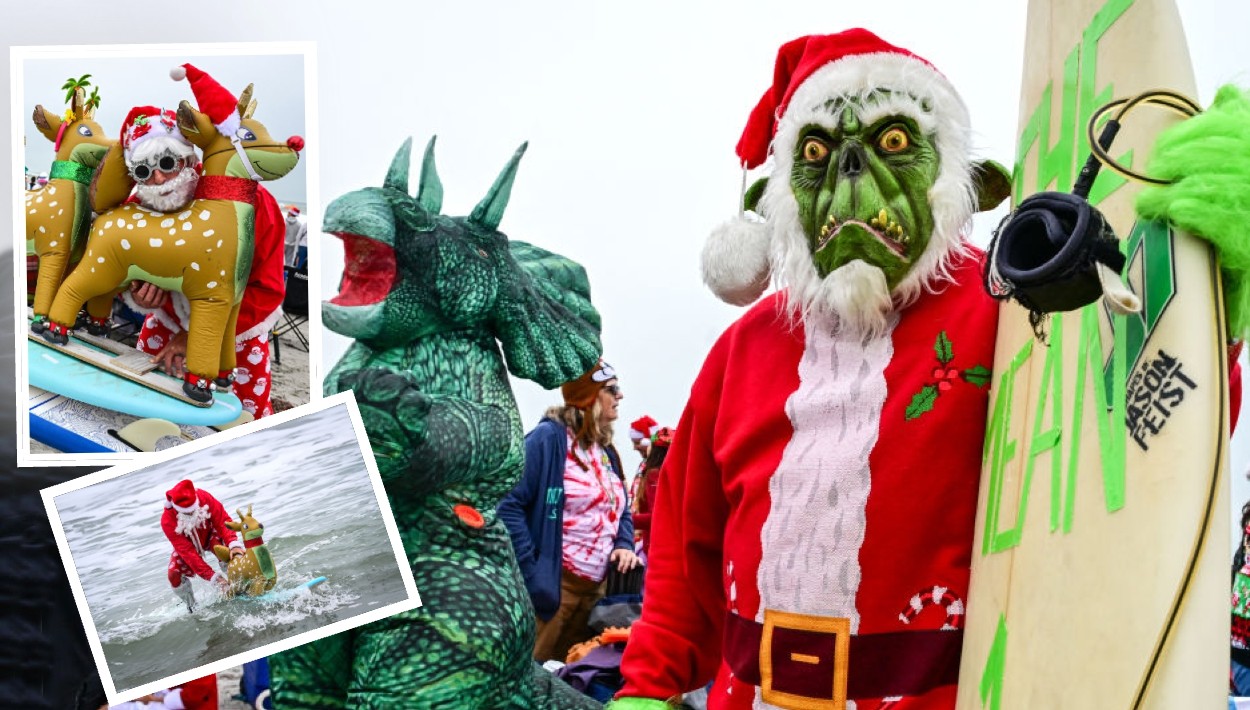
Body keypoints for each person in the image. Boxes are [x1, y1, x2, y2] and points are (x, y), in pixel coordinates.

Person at [610, 29, 1013, 709]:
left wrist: (1207, 289)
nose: (850, 178)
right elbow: (684, 552)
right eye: (818, 153)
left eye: (892, 143)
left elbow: (1134, 447)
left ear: (950, 172)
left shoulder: (1006, 306)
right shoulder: (741, 350)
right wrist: (647, 688)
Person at [112, 101, 287, 419]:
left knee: (238, 422)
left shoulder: (254, 205)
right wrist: (138, 295)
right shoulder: (140, 204)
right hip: (166, 322)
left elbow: (266, 289)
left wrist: (197, 335)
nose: (159, 179)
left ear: (189, 158)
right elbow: (127, 265)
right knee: (140, 408)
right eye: (144, 170)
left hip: (235, 336)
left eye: (168, 162)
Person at [499, 359, 641, 663]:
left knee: (575, 679)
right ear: (589, 397)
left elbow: (622, 508)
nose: (620, 396)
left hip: (597, 595)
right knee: (527, 673)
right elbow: (508, 504)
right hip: (554, 588)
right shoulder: (547, 440)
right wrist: (533, 572)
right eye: (611, 389)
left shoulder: (606, 451)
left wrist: (624, 545)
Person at [161, 479, 243, 612]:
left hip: (211, 533)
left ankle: (241, 583)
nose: (190, 513)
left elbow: (223, 521)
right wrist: (214, 578)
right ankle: (192, 607)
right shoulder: (167, 520)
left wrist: (234, 544)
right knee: (173, 574)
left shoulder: (204, 497)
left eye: (192, 509)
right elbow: (188, 553)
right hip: (189, 545)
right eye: (186, 512)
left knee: (226, 552)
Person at [629, 426, 673, 562]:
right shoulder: (672, 474)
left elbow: (657, 516)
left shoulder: (654, 474)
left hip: (654, 547)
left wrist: (626, 521)